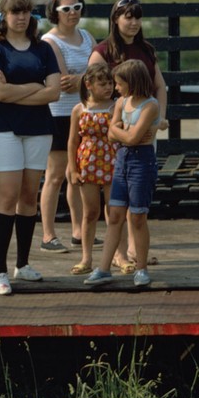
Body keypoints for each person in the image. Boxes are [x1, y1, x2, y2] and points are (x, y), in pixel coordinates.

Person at [0, 0, 62, 295]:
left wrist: (17, 90)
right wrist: (34, 87)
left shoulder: (43, 49)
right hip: (5, 129)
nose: (21, 17)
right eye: (15, 12)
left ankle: (22, 264)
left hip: (39, 128)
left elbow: (54, 92)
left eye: (26, 11)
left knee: (29, 196)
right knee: (8, 195)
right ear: (4, 16)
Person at [87, 0, 168, 266]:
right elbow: (94, 91)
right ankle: (117, 255)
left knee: (138, 195)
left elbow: (160, 87)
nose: (133, 23)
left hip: (144, 130)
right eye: (127, 17)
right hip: (113, 130)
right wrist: (116, 121)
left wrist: (158, 119)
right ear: (115, 20)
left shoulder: (146, 49)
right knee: (114, 198)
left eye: (137, 17)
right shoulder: (102, 51)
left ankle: (135, 250)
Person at [85, 60, 159, 287]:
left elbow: (132, 138)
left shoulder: (150, 105)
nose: (116, 88)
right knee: (115, 214)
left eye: (119, 83)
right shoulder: (120, 103)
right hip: (122, 160)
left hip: (142, 162)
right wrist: (123, 132)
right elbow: (111, 135)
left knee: (137, 217)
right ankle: (104, 268)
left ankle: (141, 268)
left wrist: (121, 131)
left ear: (132, 82)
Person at [38, 0, 99, 254]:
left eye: (77, 8)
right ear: (55, 12)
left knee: (78, 174)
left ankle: (78, 231)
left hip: (86, 113)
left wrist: (83, 79)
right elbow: (65, 84)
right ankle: (48, 234)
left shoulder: (87, 37)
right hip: (59, 114)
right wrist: (89, 78)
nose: (73, 13)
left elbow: (101, 73)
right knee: (55, 175)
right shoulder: (50, 41)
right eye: (66, 9)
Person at [65, 62, 121, 275]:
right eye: (102, 84)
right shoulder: (79, 109)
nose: (108, 88)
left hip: (112, 162)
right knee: (90, 212)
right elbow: (72, 141)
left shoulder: (116, 106)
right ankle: (86, 257)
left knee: (114, 212)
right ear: (88, 84)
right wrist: (72, 168)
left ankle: (120, 255)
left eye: (110, 84)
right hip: (87, 164)